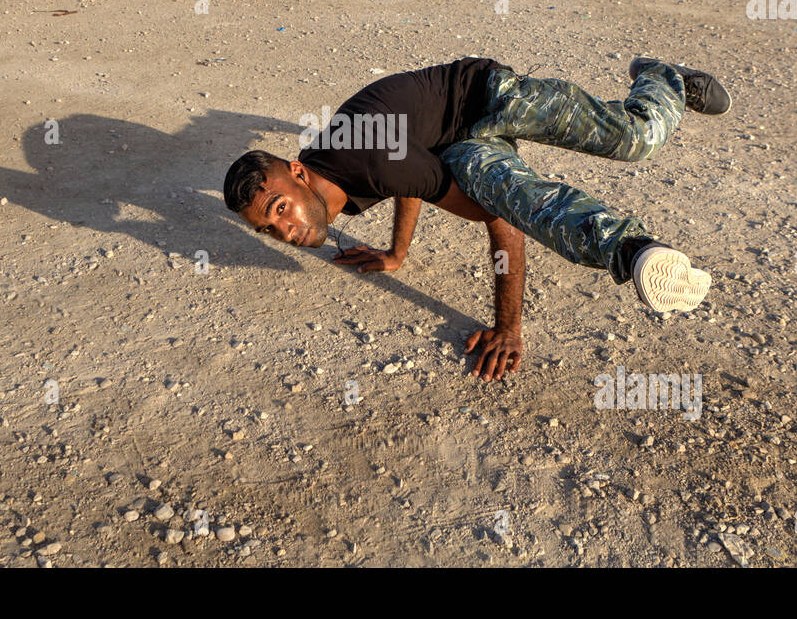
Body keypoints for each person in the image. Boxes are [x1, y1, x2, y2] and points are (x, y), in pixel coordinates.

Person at [222, 57, 732, 382]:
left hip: (487, 94)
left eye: (279, 209)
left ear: (296, 173)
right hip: (451, 146)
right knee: (514, 190)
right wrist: (398, 254)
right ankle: (635, 250)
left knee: (636, 138)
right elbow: (407, 181)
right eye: (268, 228)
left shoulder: (368, 156)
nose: (285, 232)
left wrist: (508, 328)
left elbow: (498, 222)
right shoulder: (335, 175)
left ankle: (661, 77)